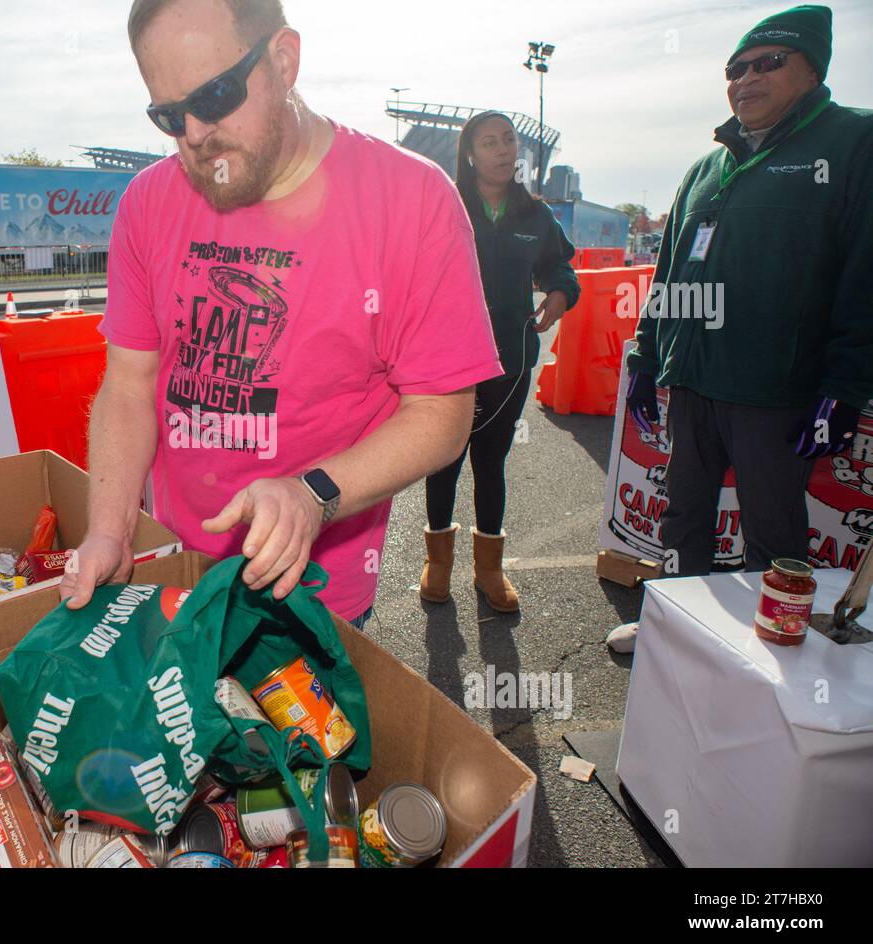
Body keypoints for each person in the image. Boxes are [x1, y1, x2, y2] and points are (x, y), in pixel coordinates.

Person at [59, 0, 503, 626]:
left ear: (285, 60)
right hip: (172, 579)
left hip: (315, 600)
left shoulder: (413, 200)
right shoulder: (146, 203)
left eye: (213, 97)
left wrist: (312, 494)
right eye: (168, 115)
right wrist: (109, 531)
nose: (193, 136)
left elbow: (442, 414)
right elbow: (130, 385)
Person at [608, 4, 873, 653]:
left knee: (773, 533)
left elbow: (866, 272)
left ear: (812, 69)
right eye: (735, 69)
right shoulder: (706, 166)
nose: (746, 79)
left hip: (774, 393)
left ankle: (770, 658)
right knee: (684, 519)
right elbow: (669, 274)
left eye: (768, 63)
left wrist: (844, 385)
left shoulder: (852, 143)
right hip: (692, 382)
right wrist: (645, 359)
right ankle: (671, 629)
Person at [420, 112, 579, 613]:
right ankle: (437, 562)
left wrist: (559, 293)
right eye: (489, 142)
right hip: (446, 361)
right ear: (469, 154)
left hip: (509, 362)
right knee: (442, 460)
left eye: (508, 139)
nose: (503, 149)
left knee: (491, 462)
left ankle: (489, 569)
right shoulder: (446, 204)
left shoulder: (537, 216)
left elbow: (561, 267)